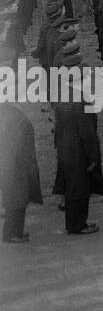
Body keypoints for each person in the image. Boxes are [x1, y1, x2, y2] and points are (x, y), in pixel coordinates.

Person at [52, 43, 103, 235]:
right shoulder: (81, 100)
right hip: (79, 151)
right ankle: (78, 224)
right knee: (79, 189)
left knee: (71, 187)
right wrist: (93, 157)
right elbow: (87, 133)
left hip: (66, 147)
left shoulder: (64, 94)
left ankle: (73, 223)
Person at [0, 102, 41, 243]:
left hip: (9, 164)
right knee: (18, 198)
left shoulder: (8, 113)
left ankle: (13, 232)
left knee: (14, 198)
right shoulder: (16, 118)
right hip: (16, 165)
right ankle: (13, 233)